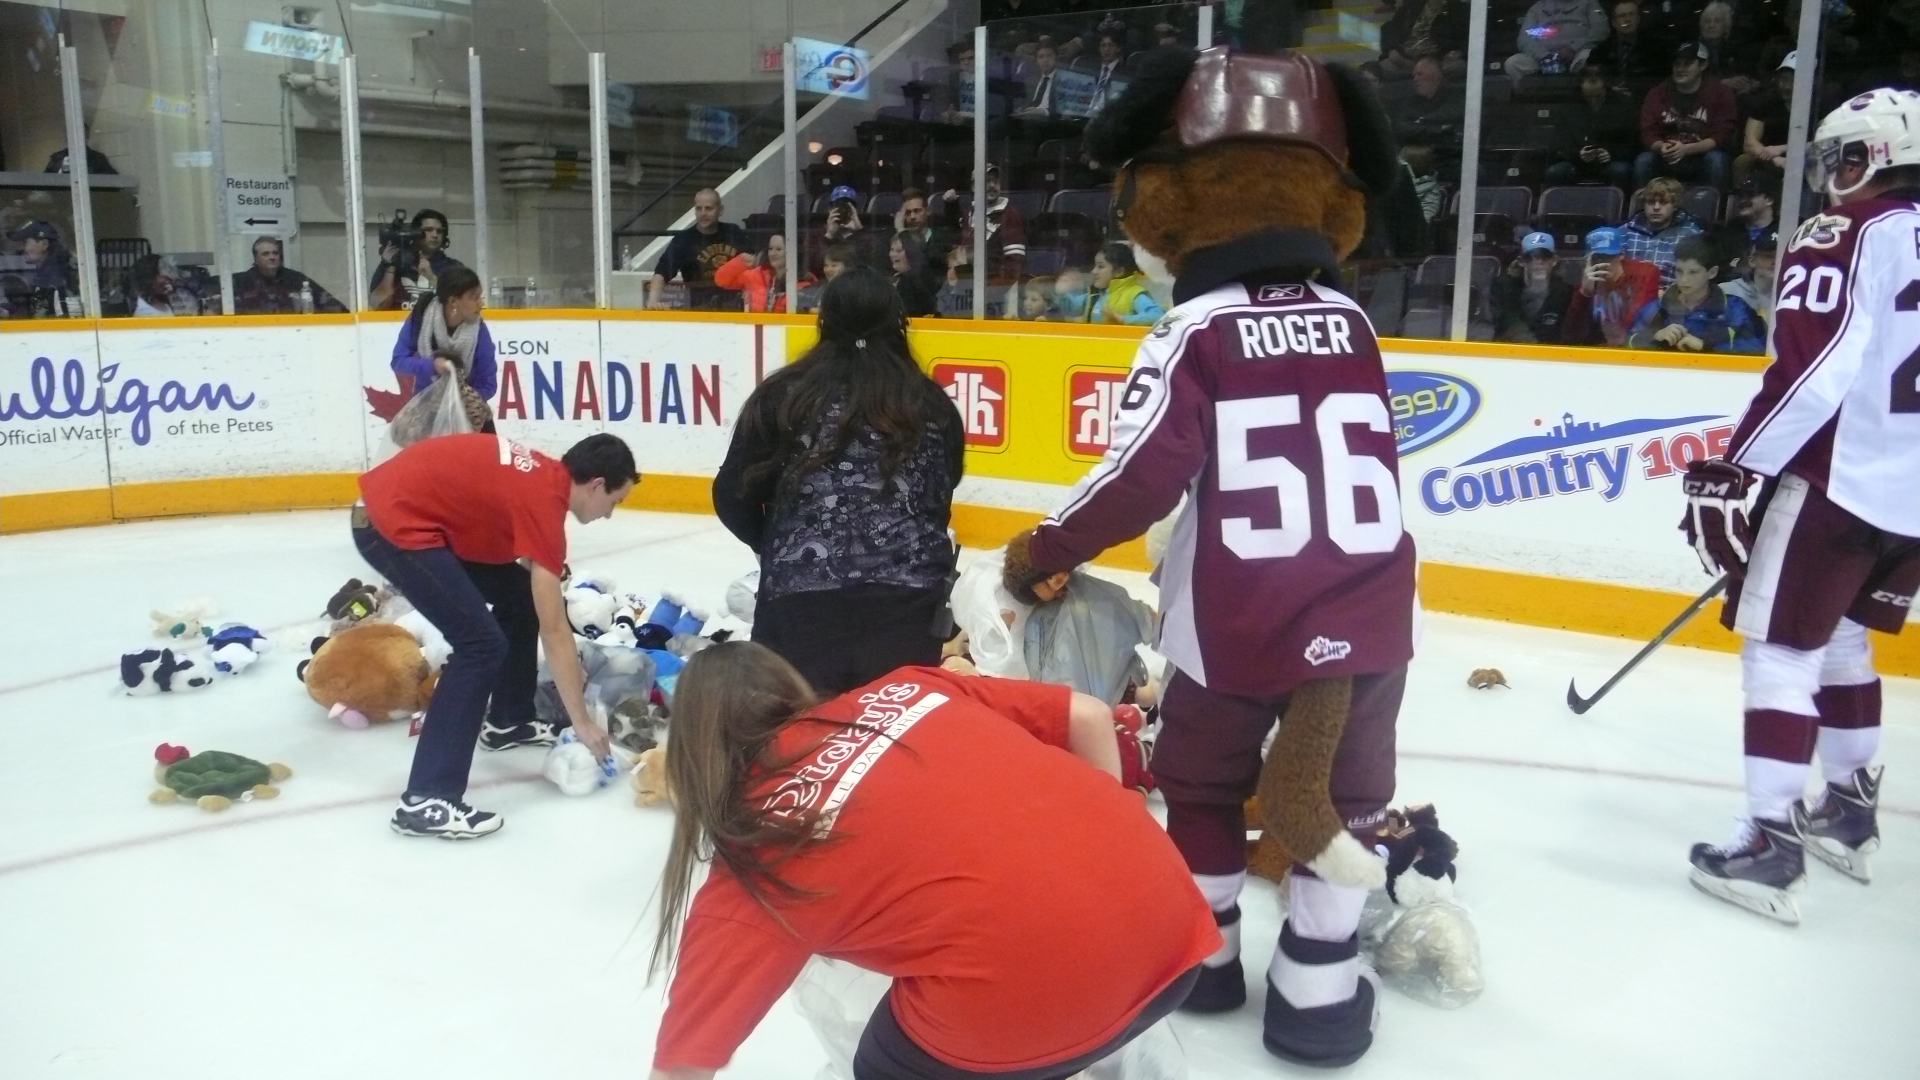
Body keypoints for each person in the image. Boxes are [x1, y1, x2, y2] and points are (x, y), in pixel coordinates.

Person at [646, 643, 1217, 1080]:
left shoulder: (762, 851)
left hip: (1048, 1003)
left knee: (882, 1065)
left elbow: (682, 1067)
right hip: (1176, 930)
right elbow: (1090, 716)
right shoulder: (908, 688)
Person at [1678, 88, 1920, 923]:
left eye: (1845, 157)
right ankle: (1849, 815)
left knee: (1781, 652)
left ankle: (1770, 843)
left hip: (1838, 480)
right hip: (1913, 500)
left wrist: (1738, 466)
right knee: (1848, 640)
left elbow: (1813, 369)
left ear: (1881, 156)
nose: (1830, 178)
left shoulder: (1844, 234)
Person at [353, 432, 636, 838]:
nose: (609, 513)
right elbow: (555, 630)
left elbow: (538, 603)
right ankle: (427, 798)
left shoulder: (544, 479)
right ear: (595, 485)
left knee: (520, 599)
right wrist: (582, 722)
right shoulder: (543, 503)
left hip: (403, 511)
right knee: (481, 644)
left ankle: (509, 720)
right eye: (615, 501)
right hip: (388, 525)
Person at [711, 267, 965, 696]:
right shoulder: (930, 404)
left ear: (823, 321)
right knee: (890, 746)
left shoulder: (782, 395)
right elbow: (940, 495)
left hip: (799, 606)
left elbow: (732, 495)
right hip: (908, 608)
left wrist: (775, 544)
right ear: (898, 323)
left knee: (800, 745)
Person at [390, 266, 497, 433]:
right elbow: (398, 361)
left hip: (467, 413)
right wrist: (432, 365)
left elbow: (488, 384)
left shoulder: (480, 333)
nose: (481, 304)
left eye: (480, 297)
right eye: (474, 298)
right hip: (427, 411)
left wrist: (463, 400)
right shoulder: (421, 318)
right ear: (453, 301)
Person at [1626, 234, 1764, 352]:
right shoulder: (1655, 309)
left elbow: (1759, 348)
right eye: (1679, 271)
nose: (1684, 280)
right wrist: (1654, 337)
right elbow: (1626, 344)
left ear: (1712, 272)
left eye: (1693, 272)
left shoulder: (1735, 309)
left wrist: (1707, 345)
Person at [1634, 42, 1738, 191]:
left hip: (1702, 153)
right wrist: (1661, 146)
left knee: (1716, 160)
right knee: (1643, 161)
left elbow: (1723, 134)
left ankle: (1716, 212)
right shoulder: (1656, 93)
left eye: (1687, 64)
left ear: (1702, 66)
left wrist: (1688, 149)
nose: (1680, 69)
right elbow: (1648, 131)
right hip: (1667, 154)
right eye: (1677, 64)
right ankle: (1642, 211)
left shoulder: (1721, 92)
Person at [647, 188, 750, 311]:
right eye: (698, 208)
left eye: (708, 208)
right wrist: (653, 301)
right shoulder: (684, 240)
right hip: (699, 309)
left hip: (734, 307)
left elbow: (754, 265)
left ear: (720, 210)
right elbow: (661, 272)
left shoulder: (733, 232)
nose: (703, 213)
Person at [1561, 225, 1661, 345]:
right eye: (1596, 258)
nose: (1602, 263)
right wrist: (1584, 294)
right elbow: (1570, 336)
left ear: (1621, 255)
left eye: (1607, 257)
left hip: (1634, 348)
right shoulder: (1587, 279)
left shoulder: (1644, 272)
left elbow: (1638, 321)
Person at [1545, 65, 1640, 189]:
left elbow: (1634, 143)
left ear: (1606, 87)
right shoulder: (1569, 107)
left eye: (1598, 96)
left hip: (1611, 161)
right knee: (1555, 172)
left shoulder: (1623, 105)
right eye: (1589, 97)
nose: (1594, 101)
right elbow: (1558, 146)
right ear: (1581, 90)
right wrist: (1578, 154)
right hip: (1576, 162)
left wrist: (1612, 153)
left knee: (1620, 171)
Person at [940, 165, 1028, 284]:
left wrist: (991, 291)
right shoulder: (970, 213)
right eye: (986, 181)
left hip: (992, 291)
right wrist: (951, 205)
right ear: (973, 187)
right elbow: (955, 227)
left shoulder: (1010, 216)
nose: (992, 185)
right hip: (966, 285)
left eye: (995, 181)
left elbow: (1014, 264)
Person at [1493, 231, 1579, 342]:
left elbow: (1571, 334)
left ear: (1554, 261)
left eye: (1545, 256)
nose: (1538, 262)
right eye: (1531, 257)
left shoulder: (1566, 293)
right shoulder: (1502, 289)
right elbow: (1499, 327)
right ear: (1521, 262)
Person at [369, 208, 461, 311]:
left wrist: (431, 278)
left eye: (439, 231)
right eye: (428, 230)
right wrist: (390, 266)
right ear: (415, 232)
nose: (435, 235)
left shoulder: (453, 267)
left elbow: (461, 304)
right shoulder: (394, 264)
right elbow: (376, 306)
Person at [1618, 176, 1703, 286]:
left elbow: (1696, 279)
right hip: (1628, 295)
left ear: (1675, 205)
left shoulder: (1691, 234)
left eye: (1663, 202)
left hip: (1671, 297)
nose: (1656, 207)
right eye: (1650, 202)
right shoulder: (1624, 232)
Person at [230, 237, 346, 315]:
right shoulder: (241, 282)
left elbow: (332, 305)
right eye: (266, 254)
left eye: (275, 253)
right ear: (256, 259)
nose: (272, 257)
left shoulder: (296, 279)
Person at [1503, 0, 1610, 82]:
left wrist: (1573, 49)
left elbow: (1600, 30)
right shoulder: (1536, 8)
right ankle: (1532, 102)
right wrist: (1544, 56)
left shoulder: (1589, 3)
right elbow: (1524, 39)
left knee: (1588, 58)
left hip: (1577, 55)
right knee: (1513, 63)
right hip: (1542, 60)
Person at [1735, 53, 1796, 189]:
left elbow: (1821, 143)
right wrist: (1774, 159)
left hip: (1805, 157)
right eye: (1784, 79)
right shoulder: (1765, 102)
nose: (1786, 86)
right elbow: (1750, 143)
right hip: (1767, 157)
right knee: (1743, 161)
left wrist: (1781, 149)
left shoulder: (1819, 105)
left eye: (1793, 81)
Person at [712, 233, 813, 314]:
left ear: (793, 252)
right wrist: (740, 261)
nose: (772, 254)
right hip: (754, 332)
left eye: (778, 249)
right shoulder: (756, 274)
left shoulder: (805, 281)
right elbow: (721, 280)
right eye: (770, 249)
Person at [1390, 57, 1466, 158]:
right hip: (1417, 158)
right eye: (1414, 75)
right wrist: (1435, 129)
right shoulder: (1410, 102)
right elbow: (1401, 127)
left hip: (1450, 157)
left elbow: (1453, 116)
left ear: (1436, 76)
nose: (1415, 79)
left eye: (1420, 74)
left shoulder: (1456, 95)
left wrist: (1420, 121)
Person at [2, 220, 80, 318]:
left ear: (44, 245)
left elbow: (69, 325)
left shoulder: (58, 280)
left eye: (25, 242)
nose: (21, 248)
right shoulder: (46, 277)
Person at [1377, 0, 1470, 79]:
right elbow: (1391, 27)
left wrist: (1459, 52)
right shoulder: (1412, 5)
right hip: (1406, 59)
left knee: (1458, 67)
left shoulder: (1459, 9)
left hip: (1440, 60)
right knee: (1382, 68)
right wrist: (1391, 49)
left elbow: (1470, 38)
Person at [1584, 1, 1668, 86]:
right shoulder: (1601, 52)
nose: (1627, 19)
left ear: (1638, 19)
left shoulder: (1655, 49)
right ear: (1614, 23)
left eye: (1631, 14)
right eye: (1622, 16)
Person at [1087, 243, 1163, 325]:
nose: (1094, 271)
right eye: (1095, 266)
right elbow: (1076, 305)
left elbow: (1157, 315)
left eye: (1100, 267)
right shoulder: (1097, 295)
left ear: (1119, 272)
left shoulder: (1134, 294)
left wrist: (1123, 319)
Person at [1718, 225, 1775, 325]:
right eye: (1769, 256)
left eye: (1782, 255)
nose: (1776, 261)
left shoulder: (1795, 299)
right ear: (1752, 260)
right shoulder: (1725, 293)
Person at [127, 254, 202, 317]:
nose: (170, 280)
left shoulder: (164, 301)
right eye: (165, 276)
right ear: (150, 278)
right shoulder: (145, 313)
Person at [888, 231, 938, 317]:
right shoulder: (896, 279)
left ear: (913, 253)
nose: (892, 254)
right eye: (892, 250)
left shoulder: (919, 282)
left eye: (899, 251)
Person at [1017, 38, 1064, 119]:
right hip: (1028, 117)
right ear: (1036, 61)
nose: (1045, 60)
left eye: (1049, 56)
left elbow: (1065, 109)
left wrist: (1044, 112)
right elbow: (1023, 102)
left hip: (1051, 120)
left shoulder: (1063, 79)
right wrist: (1020, 109)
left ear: (1056, 58)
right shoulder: (1031, 80)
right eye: (1041, 57)